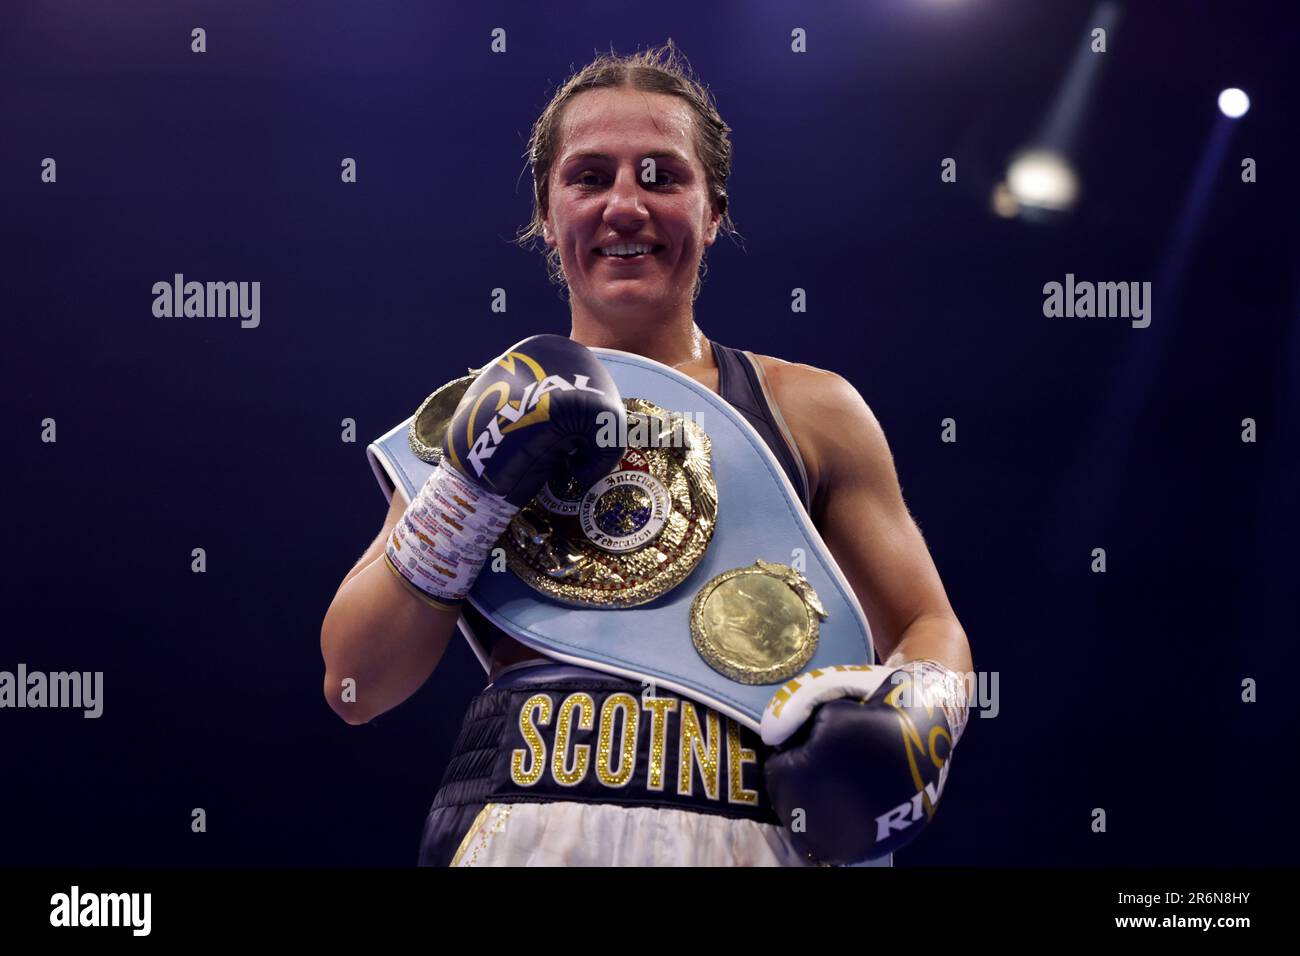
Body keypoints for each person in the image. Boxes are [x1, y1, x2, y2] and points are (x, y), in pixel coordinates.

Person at [320, 41, 973, 866]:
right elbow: (355, 683)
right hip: (523, 825)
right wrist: (468, 490)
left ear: (713, 211)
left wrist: (917, 715)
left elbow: (927, 623)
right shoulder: (475, 414)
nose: (625, 203)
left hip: (755, 829)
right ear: (547, 216)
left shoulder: (812, 409)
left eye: (662, 174)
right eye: (590, 176)